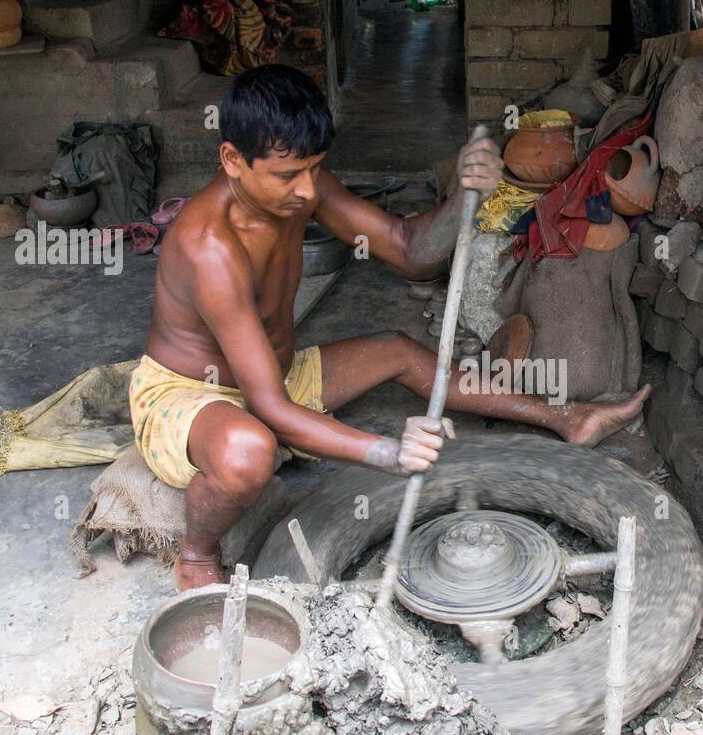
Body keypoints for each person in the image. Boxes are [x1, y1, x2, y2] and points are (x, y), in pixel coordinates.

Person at [131, 65, 650, 591]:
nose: (306, 189)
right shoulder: (209, 248)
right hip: (193, 393)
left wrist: (463, 201)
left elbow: (407, 250)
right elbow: (269, 409)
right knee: (249, 451)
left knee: (397, 351)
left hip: (276, 374)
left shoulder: (299, 186)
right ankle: (196, 555)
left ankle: (566, 417)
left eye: (315, 168)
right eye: (288, 175)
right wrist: (385, 452)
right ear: (232, 160)